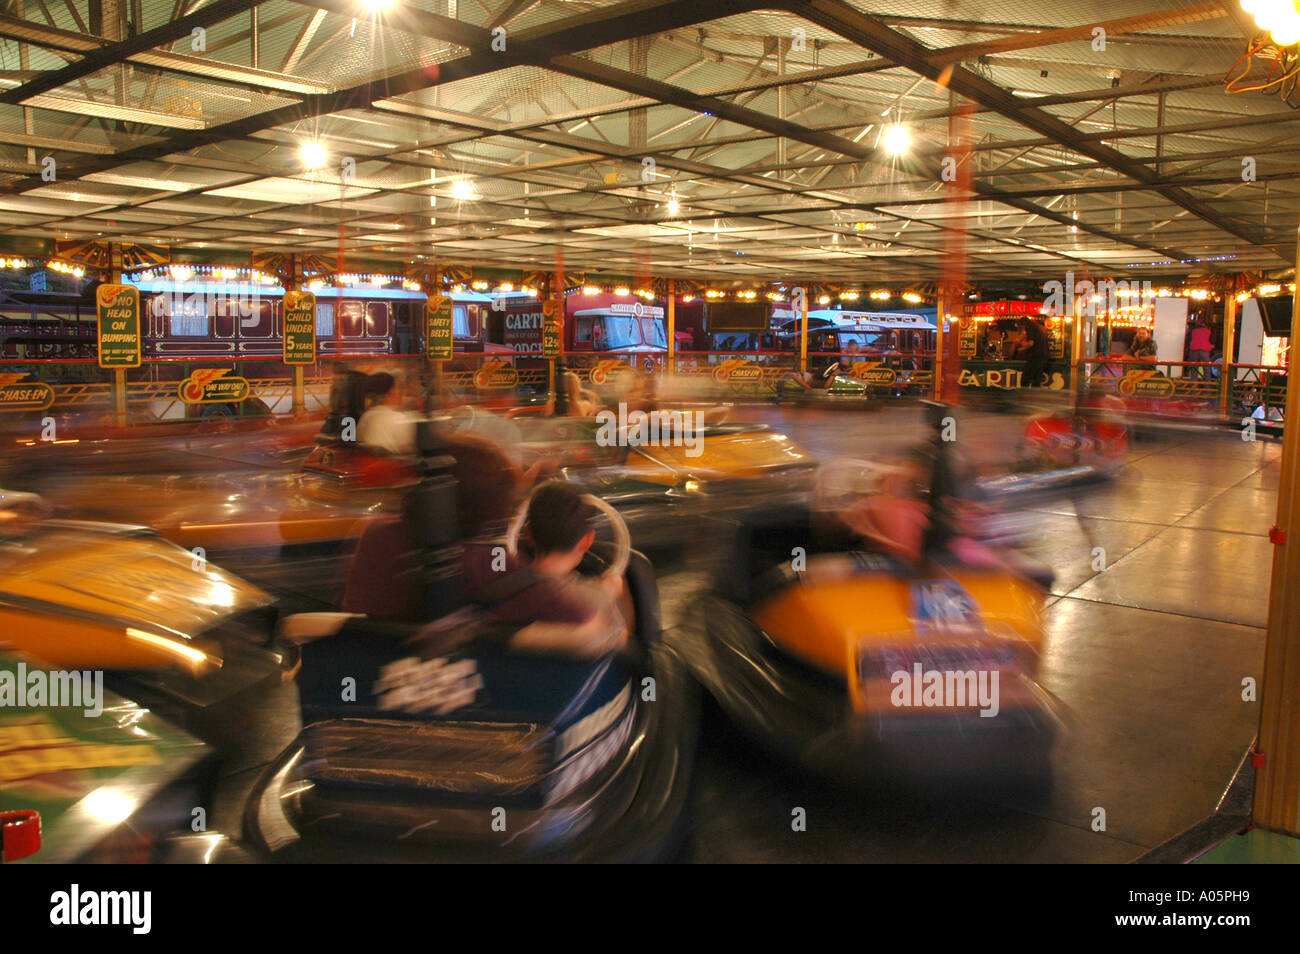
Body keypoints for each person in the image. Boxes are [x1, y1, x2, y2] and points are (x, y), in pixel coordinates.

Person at [462, 480, 629, 658]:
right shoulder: (580, 605)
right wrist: (609, 594)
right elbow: (620, 640)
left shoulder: (486, 569)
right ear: (587, 541)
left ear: (528, 533)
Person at [358, 372, 417, 454]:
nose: (400, 392)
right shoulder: (398, 419)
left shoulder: (365, 417)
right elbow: (406, 450)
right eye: (397, 388)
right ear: (391, 392)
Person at [1017, 317, 1049, 388]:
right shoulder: (1037, 327)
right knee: (1037, 377)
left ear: (1023, 324)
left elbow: (1031, 343)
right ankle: (1035, 395)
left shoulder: (1030, 327)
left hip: (1036, 355)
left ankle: (1024, 393)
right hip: (1043, 355)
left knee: (1025, 377)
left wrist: (1021, 349)